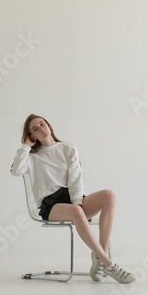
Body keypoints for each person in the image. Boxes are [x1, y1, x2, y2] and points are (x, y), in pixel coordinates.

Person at [10, 114, 136, 284]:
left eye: (42, 124)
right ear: (32, 136)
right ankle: (108, 264)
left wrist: (78, 204)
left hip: (72, 199)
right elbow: (16, 171)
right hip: (50, 204)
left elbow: (76, 180)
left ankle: (99, 255)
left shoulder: (68, 149)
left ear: (49, 125)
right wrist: (25, 147)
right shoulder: (32, 157)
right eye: (35, 129)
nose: (41, 129)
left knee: (109, 195)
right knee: (77, 211)